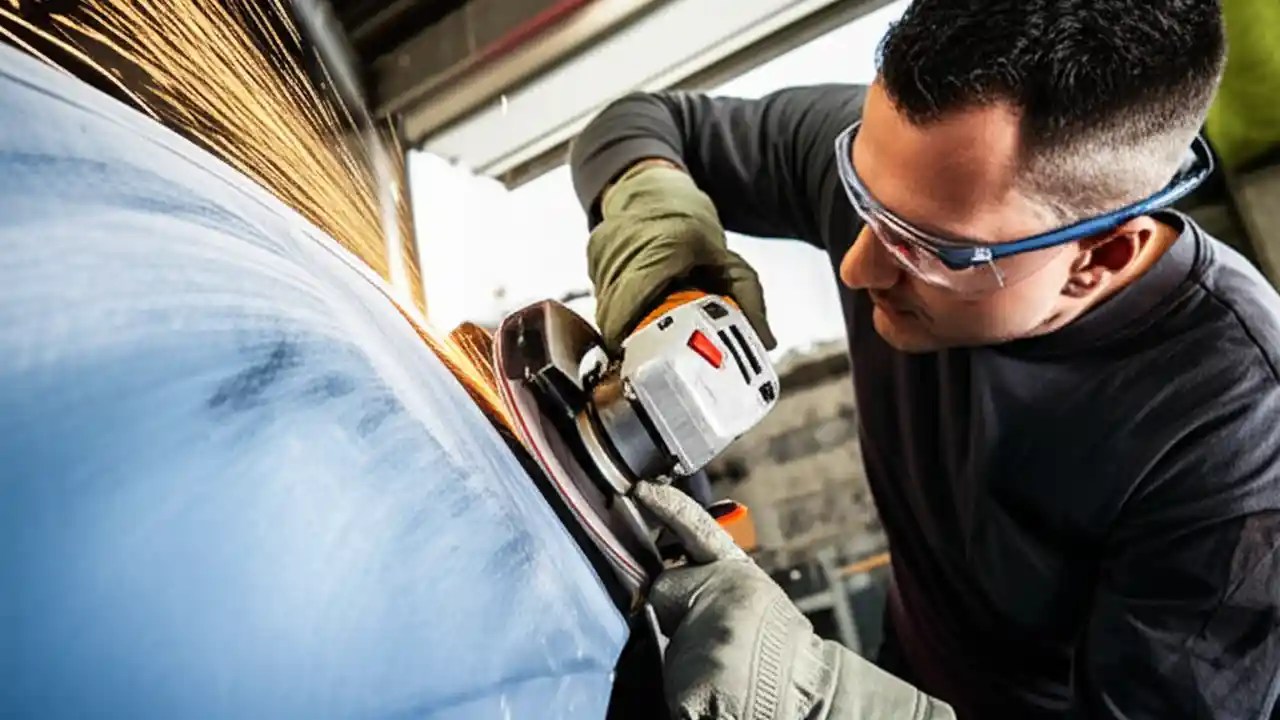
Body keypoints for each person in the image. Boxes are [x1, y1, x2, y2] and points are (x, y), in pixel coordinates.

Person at [570, 1, 1280, 717]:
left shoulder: (1240, 444)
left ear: (1099, 257)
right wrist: (661, 245)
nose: (857, 264)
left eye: (925, 248)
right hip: (895, 661)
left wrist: (823, 700)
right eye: (859, 194)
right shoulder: (925, 178)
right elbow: (636, 124)